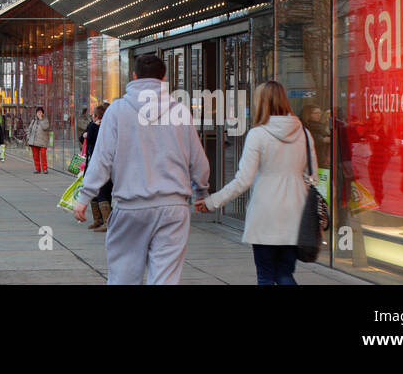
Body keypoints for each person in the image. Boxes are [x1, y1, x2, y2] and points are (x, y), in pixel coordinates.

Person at [73, 53, 210, 285]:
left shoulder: (117, 111)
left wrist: (85, 196)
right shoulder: (180, 111)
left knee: (123, 276)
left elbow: (102, 158)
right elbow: (198, 160)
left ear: (134, 76)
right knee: (166, 278)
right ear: (164, 78)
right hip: (173, 207)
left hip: (131, 206)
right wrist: (202, 193)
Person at [196, 81, 318, 285]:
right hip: (296, 211)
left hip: (266, 213)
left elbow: (243, 180)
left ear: (261, 103)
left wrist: (212, 202)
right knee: (285, 274)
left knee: (266, 275)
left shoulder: (258, 135)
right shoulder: (304, 133)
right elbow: (311, 175)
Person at [82, 103, 113, 231]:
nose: (92, 117)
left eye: (94, 115)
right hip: (93, 161)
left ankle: (107, 221)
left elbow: (90, 138)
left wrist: (90, 131)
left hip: (101, 163)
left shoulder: (104, 127)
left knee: (103, 193)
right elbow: (82, 137)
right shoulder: (93, 125)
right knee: (96, 194)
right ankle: (98, 219)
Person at [25, 106, 51, 174]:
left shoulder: (45, 120)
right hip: (34, 141)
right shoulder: (33, 121)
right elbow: (29, 129)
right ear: (36, 113)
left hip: (43, 141)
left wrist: (41, 119)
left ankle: (45, 169)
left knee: (43, 155)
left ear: (43, 113)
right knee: (35, 156)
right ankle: (37, 169)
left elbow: (45, 127)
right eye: (38, 112)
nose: (39, 113)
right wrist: (28, 137)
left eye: (40, 112)